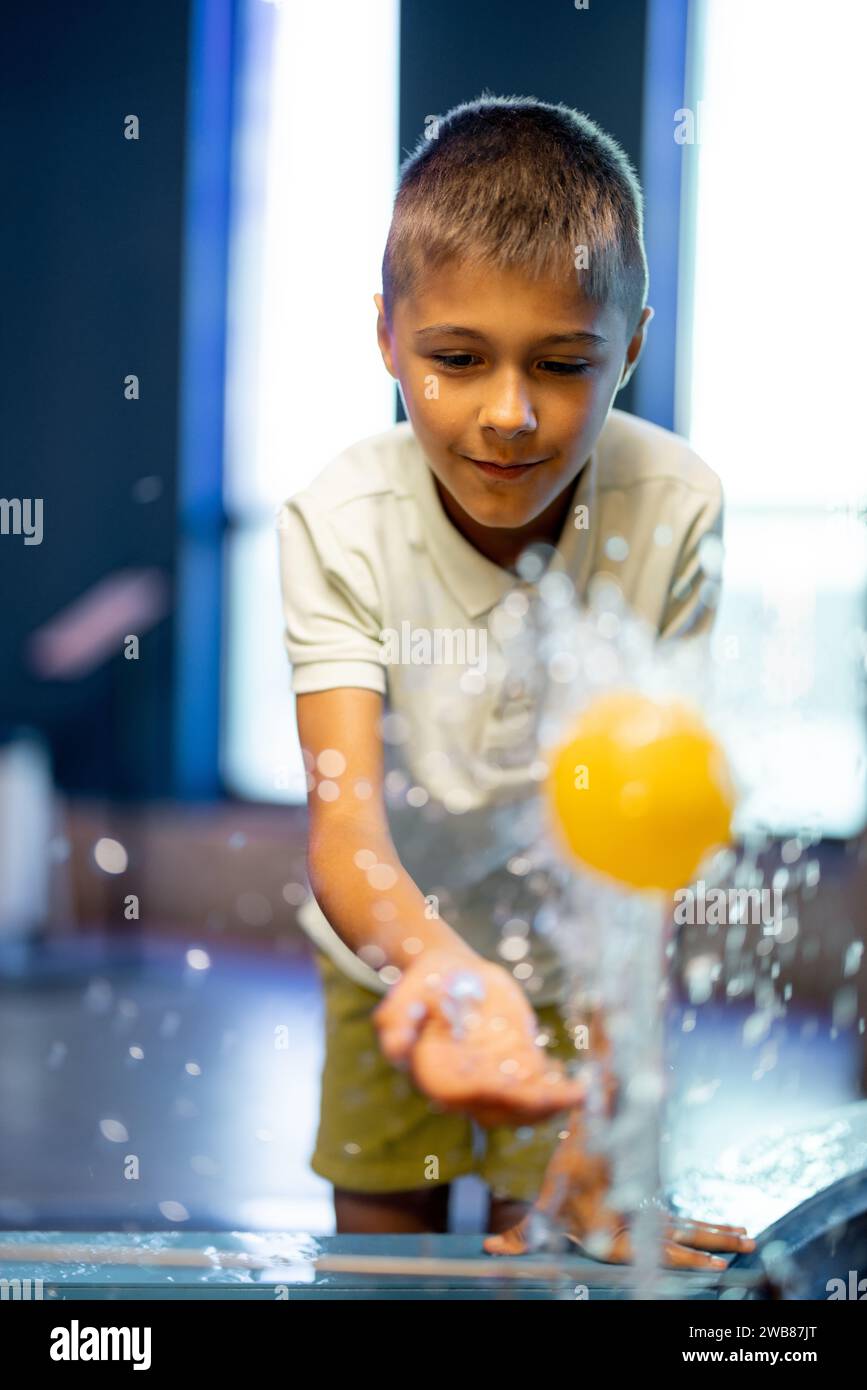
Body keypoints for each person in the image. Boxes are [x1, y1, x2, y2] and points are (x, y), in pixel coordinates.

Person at [277, 96, 753, 1265]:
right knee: (380, 1251)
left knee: (551, 1247)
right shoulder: (338, 521)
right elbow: (345, 833)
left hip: (574, 957)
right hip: (393, 952)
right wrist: (444, 975)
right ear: (386, 337)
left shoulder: (675, 506)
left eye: (563, 362)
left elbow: (633, 843)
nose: (509, 413)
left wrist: (609, 1095)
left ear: (631, 343)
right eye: (454, 359)